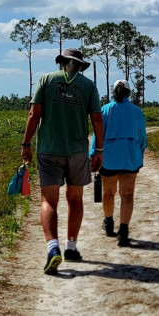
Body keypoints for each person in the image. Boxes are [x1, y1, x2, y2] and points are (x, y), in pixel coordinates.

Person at [20, 48, 103, 274]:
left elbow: (34, 114)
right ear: (80, 66)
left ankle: (52, 248)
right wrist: (99, 150)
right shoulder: (88, 86)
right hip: (77, 151)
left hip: (49, 150)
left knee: (49, 201)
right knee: (75, 199)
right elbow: (96, 118)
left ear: (62, 62)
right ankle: (72, 247)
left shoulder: (46, 80)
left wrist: (26, 144)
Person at [89, 79, 147, 247]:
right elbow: (141, 136)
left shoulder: (106, 110)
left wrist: (94, 154)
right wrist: (140, 152)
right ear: (129, 93)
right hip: (130, 156)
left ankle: (108, 222)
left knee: (108, 192)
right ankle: (124, 231)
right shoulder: (137, 111)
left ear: (113, 92)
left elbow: (97, 135)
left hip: (109, 157)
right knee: (127, 194)